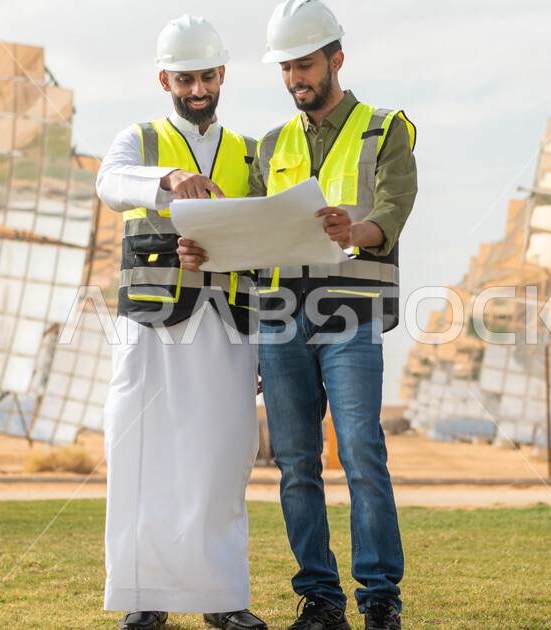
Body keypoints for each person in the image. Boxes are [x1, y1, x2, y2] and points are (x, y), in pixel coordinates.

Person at [95, 15, 267, 630]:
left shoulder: (253, 152)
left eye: (207, 77)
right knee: (140, 455)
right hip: (151, 325)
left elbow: (268, 238)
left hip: (228, 324)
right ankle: (145, 597)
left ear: (222, 75)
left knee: (222, 461)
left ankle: (222, 599)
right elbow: (110, 184)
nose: (198, 89)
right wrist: (166, 181)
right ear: (165, 78)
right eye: (185, 79)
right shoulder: (137, 140)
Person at [256, 1, 416, 628]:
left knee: (359, 451)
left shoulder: (384, 129)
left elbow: (394, 213)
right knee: (295, 462)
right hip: (280, 320)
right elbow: (254, 235)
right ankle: (321, 599)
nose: (297, 78)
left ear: (336, 59)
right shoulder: (270, 145)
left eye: (306, 65)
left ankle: (380, 597)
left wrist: (356, 229)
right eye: (287, 68)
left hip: (351, 316)